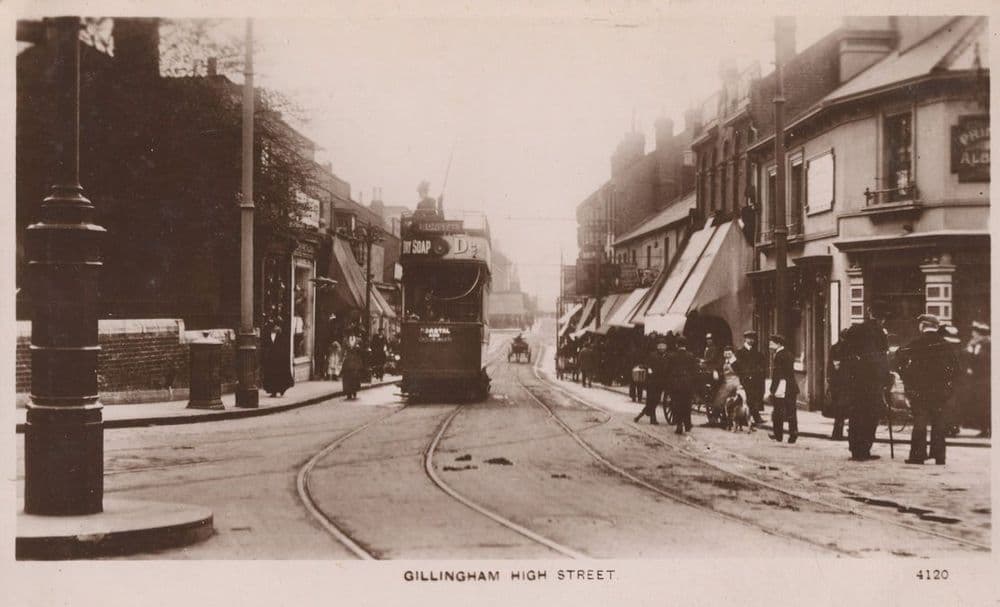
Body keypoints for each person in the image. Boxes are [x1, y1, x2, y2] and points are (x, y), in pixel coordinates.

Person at [896, 314, 959, 465]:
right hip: (940, 391)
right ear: (936, 327)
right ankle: (939, 456)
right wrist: (948, 385)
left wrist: (906, 377)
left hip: (919, 391)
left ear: (922, 326)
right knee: (939, 422)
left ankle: (918, 456)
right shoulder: (946, 345)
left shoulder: (914, 343)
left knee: (920, 422)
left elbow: (897, 359)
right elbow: (956, 369)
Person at [843, 302, 892, 461]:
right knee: (871, 416)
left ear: (869, 313)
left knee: (856, 415)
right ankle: (864, 449)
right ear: (882, 319)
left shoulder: (856, 329)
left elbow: (845, 351)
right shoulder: (880, 333)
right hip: (873, 382)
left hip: (855, 381)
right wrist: (886, 379)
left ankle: (855, 449)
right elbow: (882, 359)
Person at [768, 334, 799, 443]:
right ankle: (793, 434)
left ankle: (778, 435)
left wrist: (772, 389)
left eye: (772, 343)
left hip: (782, 386)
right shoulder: (788, 354)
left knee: (778, 412)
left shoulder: (779, 355)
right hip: (791, 386)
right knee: (791, 411)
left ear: (779, 344)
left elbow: (777, 374)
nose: (770, 346)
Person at [732, 330, 766, 427]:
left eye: (753, 339)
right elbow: (735, 366)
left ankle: (754, 416)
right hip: (745, 379)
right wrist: (743, 375)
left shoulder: (756, 353)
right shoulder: (739, 352)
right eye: (749, 338)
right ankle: (753, 417)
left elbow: (761, 365)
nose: (751, 340)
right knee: (747, 398)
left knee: (754, 397)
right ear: (745, 339)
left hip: (755, 379)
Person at [667, 336, 700, 435]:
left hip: (675, 383)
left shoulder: (672, 356)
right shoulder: (690, 356)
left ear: (677, 345)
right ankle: (687, 424)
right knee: (686, 404)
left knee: (676, 404)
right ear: (685, 345)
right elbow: (695, 371)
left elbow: (668, 370)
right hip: (687, 383)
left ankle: (679, 424)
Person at [964, 321, 991, 438]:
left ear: (980, 334)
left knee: (985, 404)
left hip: (984, 379)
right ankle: (984, 428)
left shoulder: (986, 344)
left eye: (975, 332)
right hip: (977, 380)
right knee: (980, 404)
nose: (973, 334)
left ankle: (987, 429)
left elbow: (984, 361)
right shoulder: (974, 344)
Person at [635, 339, 670, 424]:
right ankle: (652, 418)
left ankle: (642, 414)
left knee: (656, 400)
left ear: (666, 347)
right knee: (651, 399)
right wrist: (648, 368)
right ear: (657, 347)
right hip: (652, 381)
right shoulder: (652, 355)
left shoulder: (667, 356)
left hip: (661, 381)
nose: (662, 348)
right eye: (660, 346)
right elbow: (646, 364)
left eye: (663, 346)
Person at [824, 329, 851, 440]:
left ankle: (838, 433)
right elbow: (834, 365)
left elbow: (830, 366)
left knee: (840, 410)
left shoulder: (835, 348)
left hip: (837, 383)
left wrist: (829, 379)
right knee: (842, 409)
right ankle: (838, 433)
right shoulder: (844, 348)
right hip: (843, 384)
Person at [262, 320, 294, 397]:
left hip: (279, 359)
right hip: (271, 359)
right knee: (272, 375)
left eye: (277, 327)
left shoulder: (282, 336)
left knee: (279, 375)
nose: (276, 328)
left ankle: (281, 389)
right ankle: (273, 391)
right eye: (274, 327)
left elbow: (284, 347)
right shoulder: (268, 335)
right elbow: (266, 344)